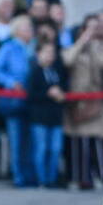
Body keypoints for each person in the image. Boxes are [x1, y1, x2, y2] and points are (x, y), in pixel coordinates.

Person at [63, 13, 103, 189]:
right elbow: (68, 60)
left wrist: (102, 44)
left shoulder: (99, 47)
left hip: (96, 100)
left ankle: (100, 176)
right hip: (79, 102)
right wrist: (84, 39)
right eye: (90, 27)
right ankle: (79, 178)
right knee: (79, 142)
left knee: (99, 140)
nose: (94, 31)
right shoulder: (74, 46)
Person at [0, 14, 37, 188]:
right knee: (16, 138)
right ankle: (19, 175)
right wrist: (10, 82)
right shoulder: (8, 48)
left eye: (30, 27)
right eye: (26, 28)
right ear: (17, 31)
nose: (30, 31)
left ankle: (32, 174)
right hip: (14, 101)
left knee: (31, 139)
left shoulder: (34, 47)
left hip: (33, 99)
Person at [26, 38, 68, 189]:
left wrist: (62, 95)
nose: (50, 55)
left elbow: (64, 88)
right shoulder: (35, 72)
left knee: (56, 148)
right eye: (46, 52)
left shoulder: (56, 71)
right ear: (38, 54)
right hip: (39, 118)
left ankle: (52, 178)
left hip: (55, 117)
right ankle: (42, 179)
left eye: (52, 52)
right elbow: (31, 95)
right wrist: (48, 93)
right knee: (41, 149)